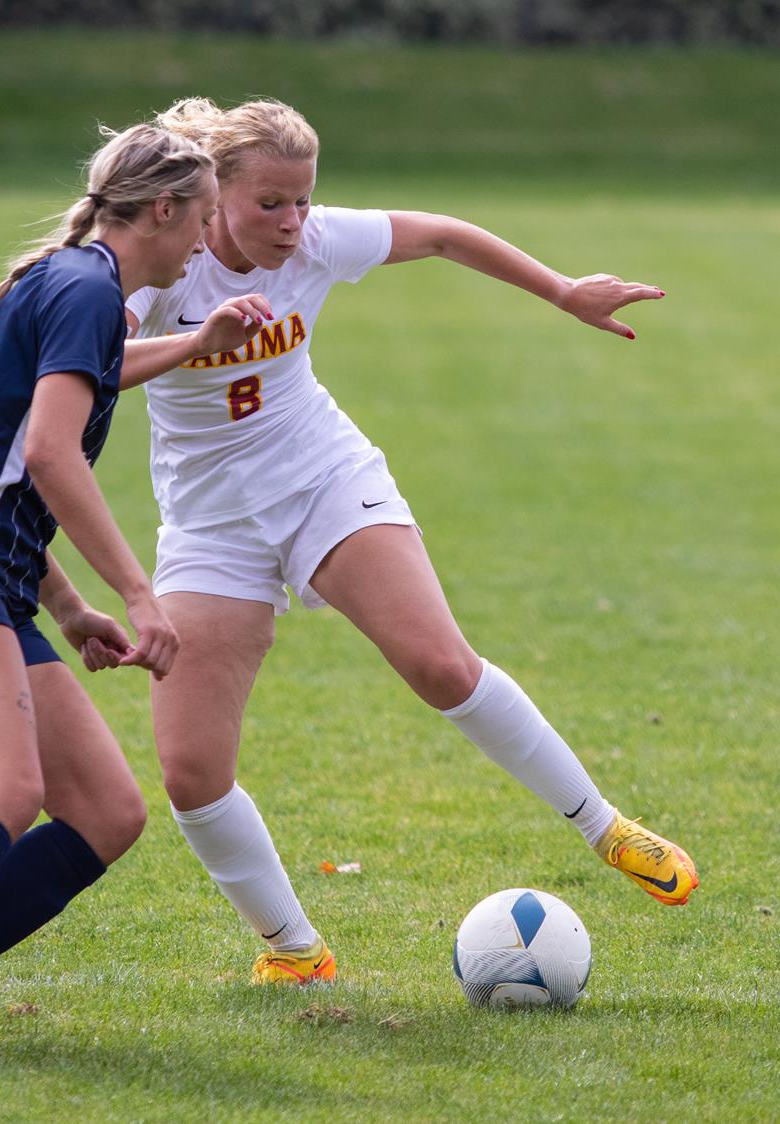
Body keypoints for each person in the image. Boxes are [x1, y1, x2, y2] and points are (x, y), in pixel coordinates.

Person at [117, 97, 698, 985]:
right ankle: (295, 950)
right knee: (191, 774)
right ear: (215, 195)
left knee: (439, 664)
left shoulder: (315, 242)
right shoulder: (163, 269)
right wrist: (201, 339)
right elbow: (90, 363)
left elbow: (442, 235)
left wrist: (563, 290)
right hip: (211, 524)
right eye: (270, 203)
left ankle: (606, 828)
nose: (292, 221)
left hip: (323, 477)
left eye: (303, 199)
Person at [0, 123, 262, 1070]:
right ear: (162, 210)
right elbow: (47, 453)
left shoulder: (78, 286)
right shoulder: (86, 292)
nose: (206, 240)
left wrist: (69, 609)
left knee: (107, 811)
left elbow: (22, 456)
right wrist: (139, 593)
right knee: (6, 787)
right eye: (201, 218)